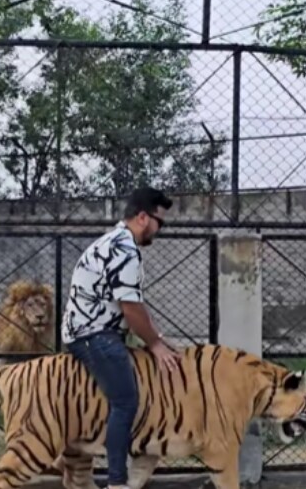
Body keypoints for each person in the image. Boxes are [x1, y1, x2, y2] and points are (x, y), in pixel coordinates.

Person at [61, 186, 182, 489]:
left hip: (93, 332)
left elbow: (129, 307)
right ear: (143, 217)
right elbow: (130, 307)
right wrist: (154, 343)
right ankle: (117, 482)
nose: (160, 229)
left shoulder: (114, 241)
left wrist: (154, 336)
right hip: (93, 335)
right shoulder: (125, 249)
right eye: (159, 221)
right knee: (126, 401)